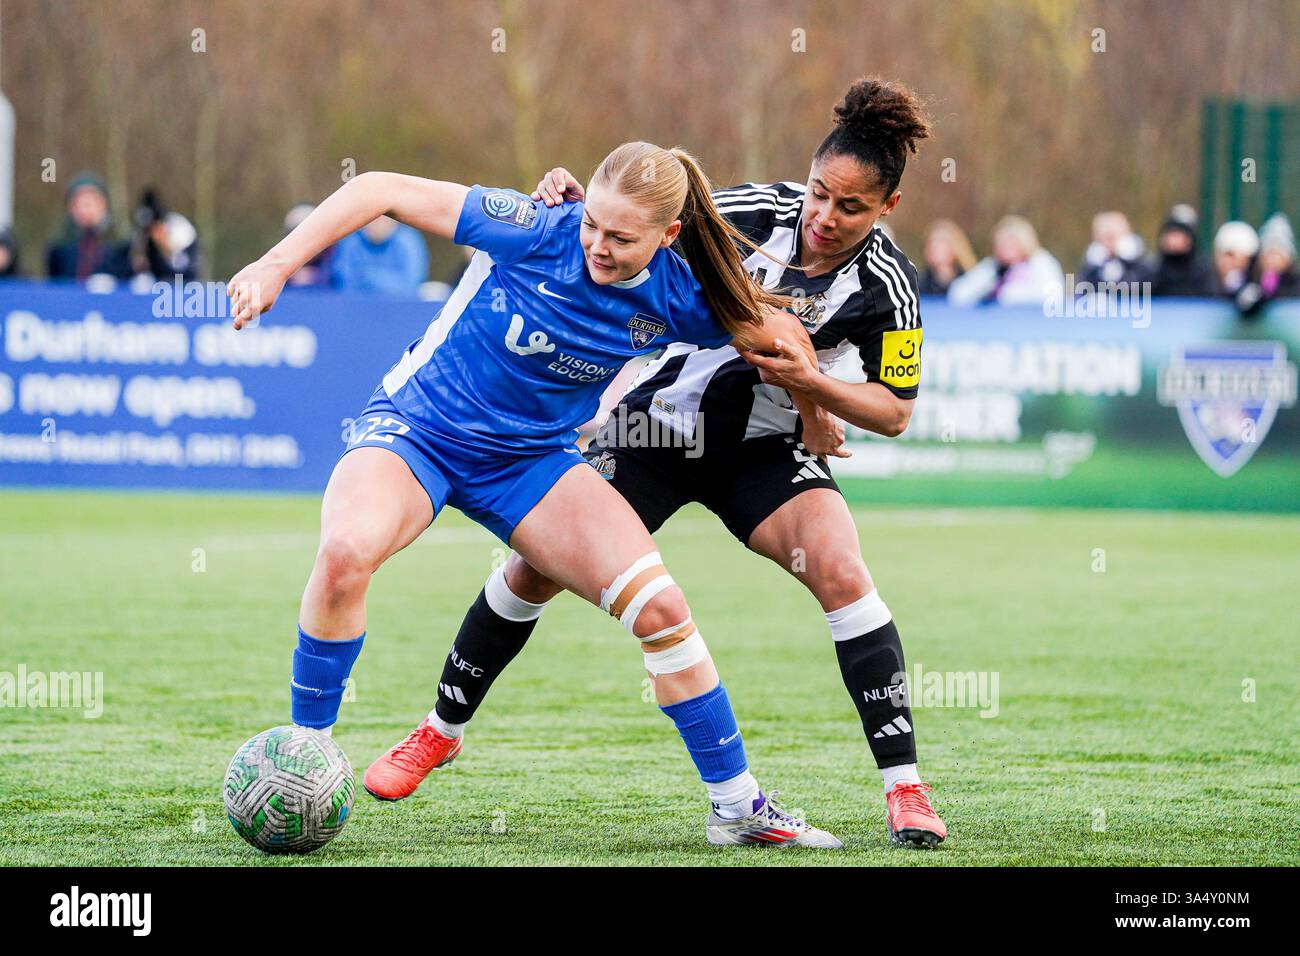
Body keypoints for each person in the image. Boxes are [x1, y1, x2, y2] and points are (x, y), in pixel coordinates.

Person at [371, 77, 950, 848]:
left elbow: (897, 410)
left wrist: (814, 393)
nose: (824, 217)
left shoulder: (889, 285)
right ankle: (440, 729)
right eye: (818, 194)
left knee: (842, 570)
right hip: (657, 428)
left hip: (763, 452)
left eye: (850, 207)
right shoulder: (745, 216)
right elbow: (633, 214)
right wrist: (562, 196)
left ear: (887, 210)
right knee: (530, 570)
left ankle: (905, 788)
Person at [226, 141, 842, 848]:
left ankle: (737, 809)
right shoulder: (534, 225)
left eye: (619, 237)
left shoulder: (678, 295)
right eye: (592, 226)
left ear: (668, 237)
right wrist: (277, 263)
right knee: (344, 553)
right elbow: (379, 188)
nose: (597, 246)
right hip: (418, 431)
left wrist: (817, 407)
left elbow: (776, 329)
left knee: (663, 609)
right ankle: (307, 752)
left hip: (531, 462)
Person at [947, 214, 1064, 307]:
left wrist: (1006, 293)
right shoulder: (991, 267)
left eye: (1010, 240)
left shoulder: (1041, 262)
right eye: (1000, 242)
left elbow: (1053, 296)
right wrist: (987, 289)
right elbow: (957, 294)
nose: (1004, 246)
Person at [45, 172, 132, 282]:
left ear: (104, 205)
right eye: (79, 204)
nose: (85, 210)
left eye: (90, 203)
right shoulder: (59, 247)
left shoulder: (120, 245)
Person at [329, 214, 429, 295]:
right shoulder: (351, 240)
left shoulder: (408, 240)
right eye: (373, 219)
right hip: (357, 308)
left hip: (398, 309)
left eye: (383, 219)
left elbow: (410, 286)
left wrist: (365, 275)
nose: (377, 224)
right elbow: (343, 283)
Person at [1234, 212, 1300, 317]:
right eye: (1268, 254)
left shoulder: (1295, 281)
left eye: (1277, 254)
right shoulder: (1249, 278)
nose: (1272, 260)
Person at [130, 188, 201, 282]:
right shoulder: (141, 234)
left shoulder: (181, 229)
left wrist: (165, 246)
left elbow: (186, 269)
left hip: (184, 280)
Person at [1149, 205, 1215, 297]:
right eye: (1171, 233)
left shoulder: (1202, 272)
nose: (1173, 240)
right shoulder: (1153, 269)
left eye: (1179, 235)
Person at [1079, 211, 1151, 287]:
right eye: (1106, 237)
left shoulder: (1141, 260)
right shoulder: (1092, 263)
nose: (1110, 243)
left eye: (1113, 237)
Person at [919, 218, 976, 295]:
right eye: (931, 242)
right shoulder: (916, 286)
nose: (935, 246)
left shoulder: (971, 284)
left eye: (942, 241)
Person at [1211, 221, 1258, 299]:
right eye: (1228, 255)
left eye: (1232, 256)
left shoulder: (1254, 288)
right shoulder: (1201, 280)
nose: (1227, 262)